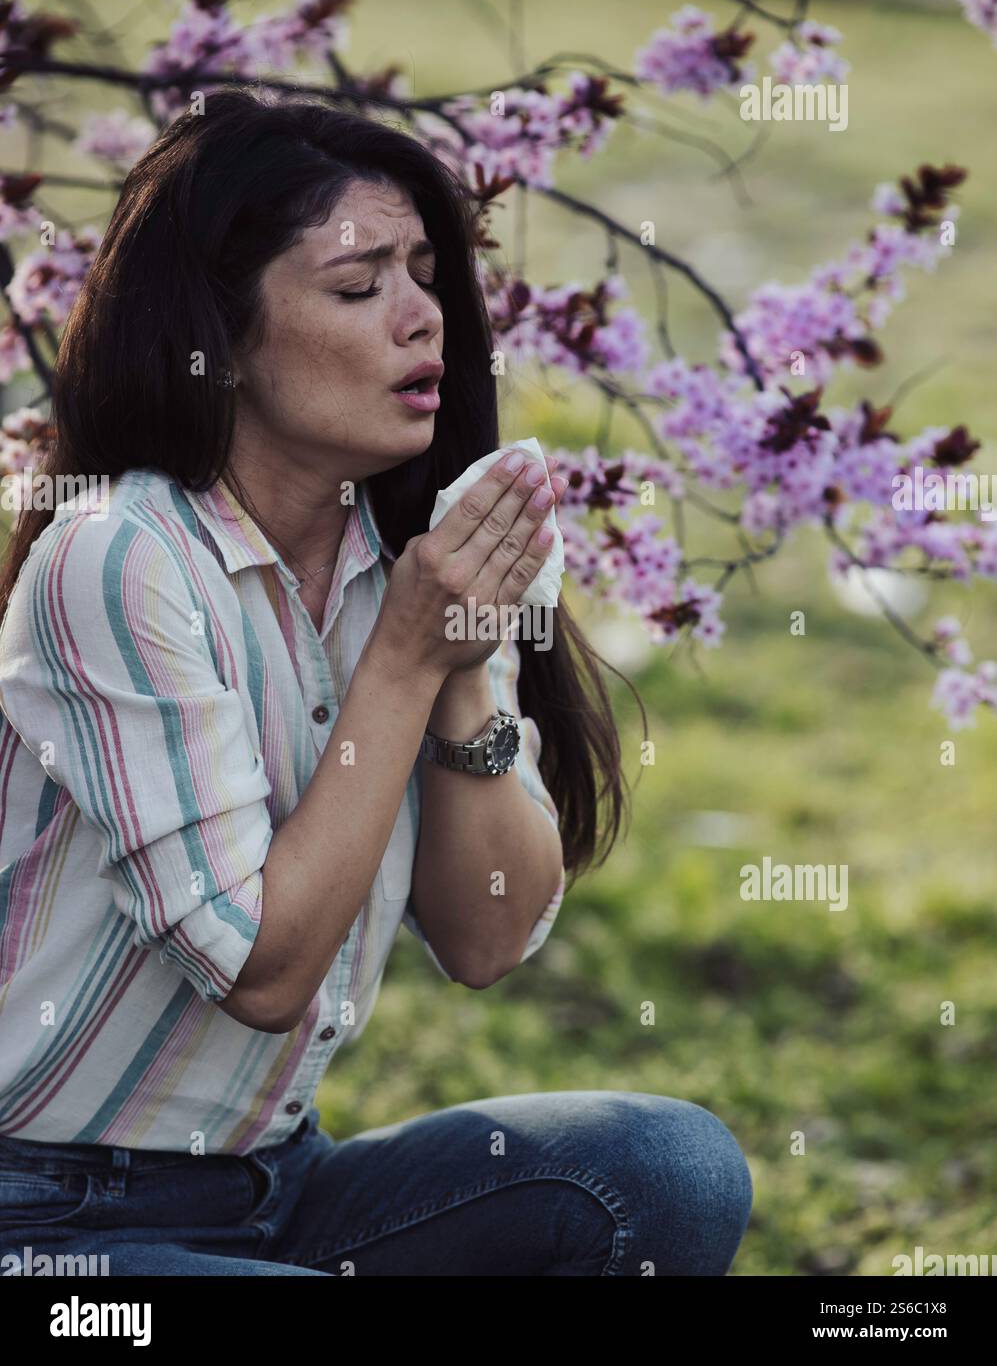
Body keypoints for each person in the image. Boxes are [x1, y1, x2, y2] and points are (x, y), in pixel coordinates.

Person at [0, 86, 752, 1275]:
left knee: (666, 1169)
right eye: (359, 287)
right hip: (49, 1225)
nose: (423, 319)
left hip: (281, 1185)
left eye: (424, 275)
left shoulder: (409, 553)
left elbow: (488, 934)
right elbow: (262, 969)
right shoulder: (119, 558)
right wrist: (406, 657)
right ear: (223, 341)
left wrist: (455, 667)